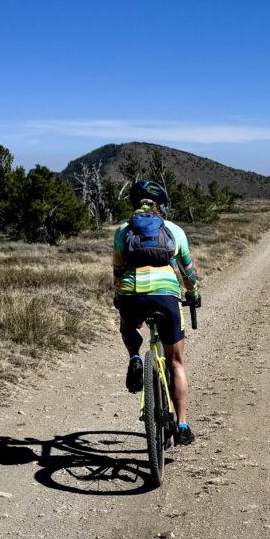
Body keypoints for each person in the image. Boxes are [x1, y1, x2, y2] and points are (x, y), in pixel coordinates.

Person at [113, 179, 201, 445]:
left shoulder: (123, 230)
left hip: (132, 294)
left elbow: (118, 271)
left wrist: (121, 295)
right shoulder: (174, 230)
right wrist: (193, 293)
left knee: (128, 327)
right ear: (161, 205)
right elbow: (187, 270)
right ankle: (182, 424)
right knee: (176, 362)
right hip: (165, 296)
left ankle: (134, 359)